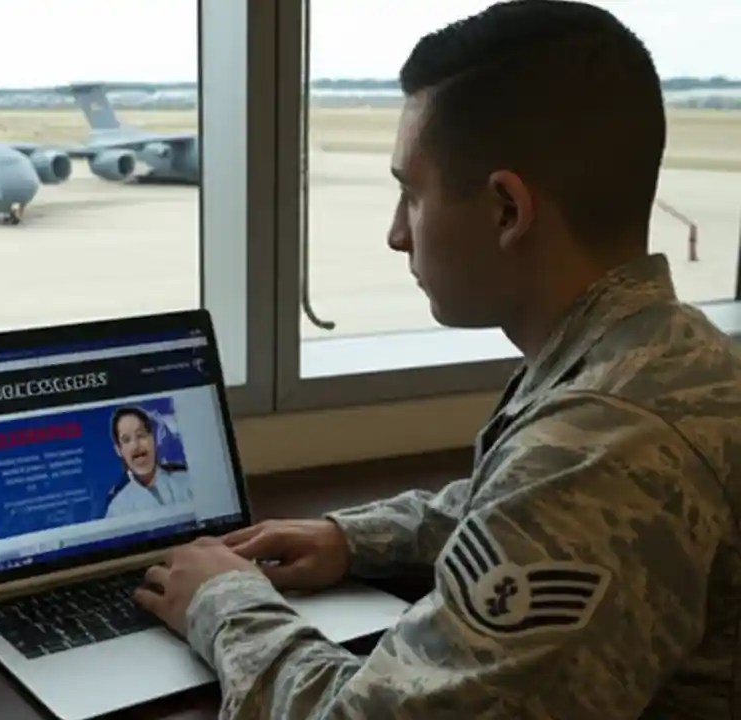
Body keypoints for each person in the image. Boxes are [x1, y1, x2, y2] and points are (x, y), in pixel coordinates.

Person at [132, 1, 741, 717]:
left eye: (410, 194)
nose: (397, 234)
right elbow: (522, 511)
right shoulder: (667, 353)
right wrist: (352, 539)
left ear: (507, 211)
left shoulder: (604, 448)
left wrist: (222, 599)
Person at [104, 406, 194, 518]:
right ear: (118, 450)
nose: (136, 445)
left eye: (141, 435)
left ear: (153, 439)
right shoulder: (117, 509)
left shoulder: (189, 482)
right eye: (126, 440)